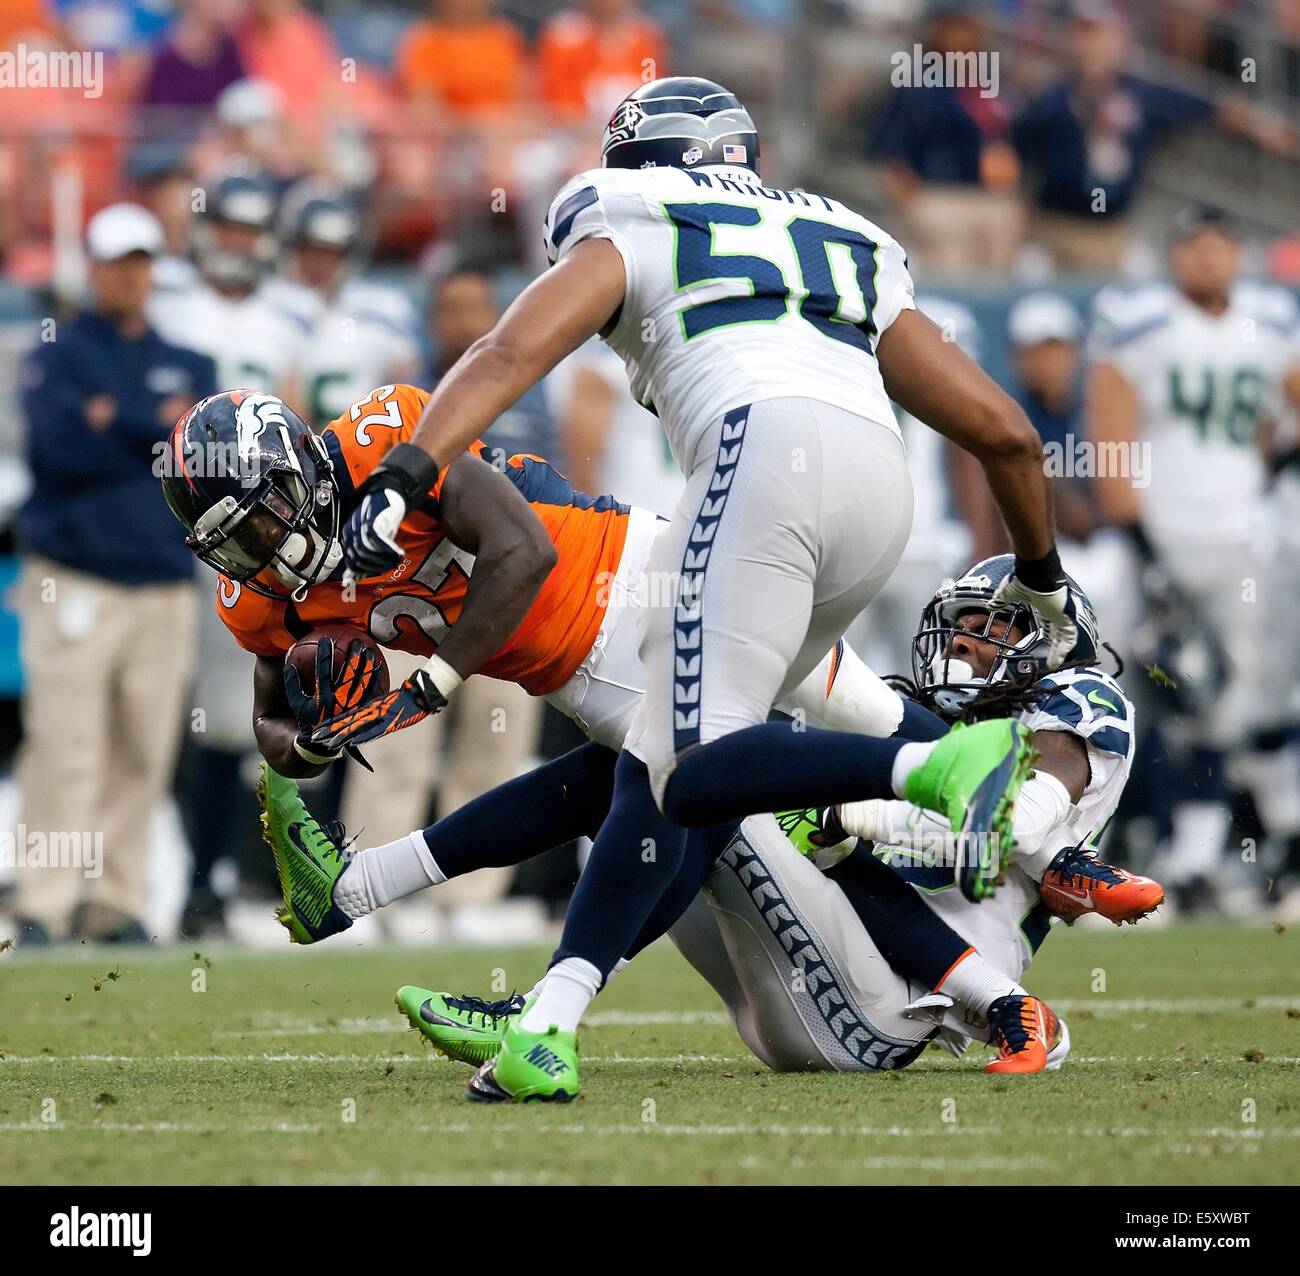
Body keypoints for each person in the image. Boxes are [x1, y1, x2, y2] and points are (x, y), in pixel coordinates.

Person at [320, 76, 1083, 1102]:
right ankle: (546, 1024)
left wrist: (409, 468)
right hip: (878, 490)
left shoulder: (628, 209)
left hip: (759, 457)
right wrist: (1039, 574)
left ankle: (929, 765)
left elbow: (512, 348)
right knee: (662, 761)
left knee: (695, 767)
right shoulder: (847, 231)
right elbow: (1005, 433)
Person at [391, 558, 1160, 1077]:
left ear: (1057, 642)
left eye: (995, 629)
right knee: (647, 759)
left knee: (703, 776)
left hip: (884, 1004)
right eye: (963, 624)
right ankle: (387, 886)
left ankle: (534, 1014)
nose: (966, 641)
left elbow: (1016, 825)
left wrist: (846, 816)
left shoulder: (1080, 701)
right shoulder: (932, 726)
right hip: (822, 969)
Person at [12, 204, 215, 944]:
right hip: (77, 575)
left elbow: (203, 460)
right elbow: (58, 450)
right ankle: (42, 901)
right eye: (117, 262)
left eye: (141, 261)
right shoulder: (59, 350)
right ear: (93, 268)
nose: (130, 276)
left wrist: (114, 419)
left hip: (163, 578)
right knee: (65, 745)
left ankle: (117, 901)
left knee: (144, 748)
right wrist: (150, 423)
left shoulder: (191, 361)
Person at [1087, 206, 1300, 910]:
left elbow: (1285, 415)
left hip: (1240, 539)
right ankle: (1105, 847)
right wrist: (1131, 529)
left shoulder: (1268, 326)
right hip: (1159, 538)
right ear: (1175, 255)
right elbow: (1108, 428)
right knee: (1124, 691)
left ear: (1236, 253)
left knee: (1229, 703)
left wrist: (1271, 466)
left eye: (1219, 246)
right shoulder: (1142, 326)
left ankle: (1204, 856)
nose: (1207, 259)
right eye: (1194, 246)